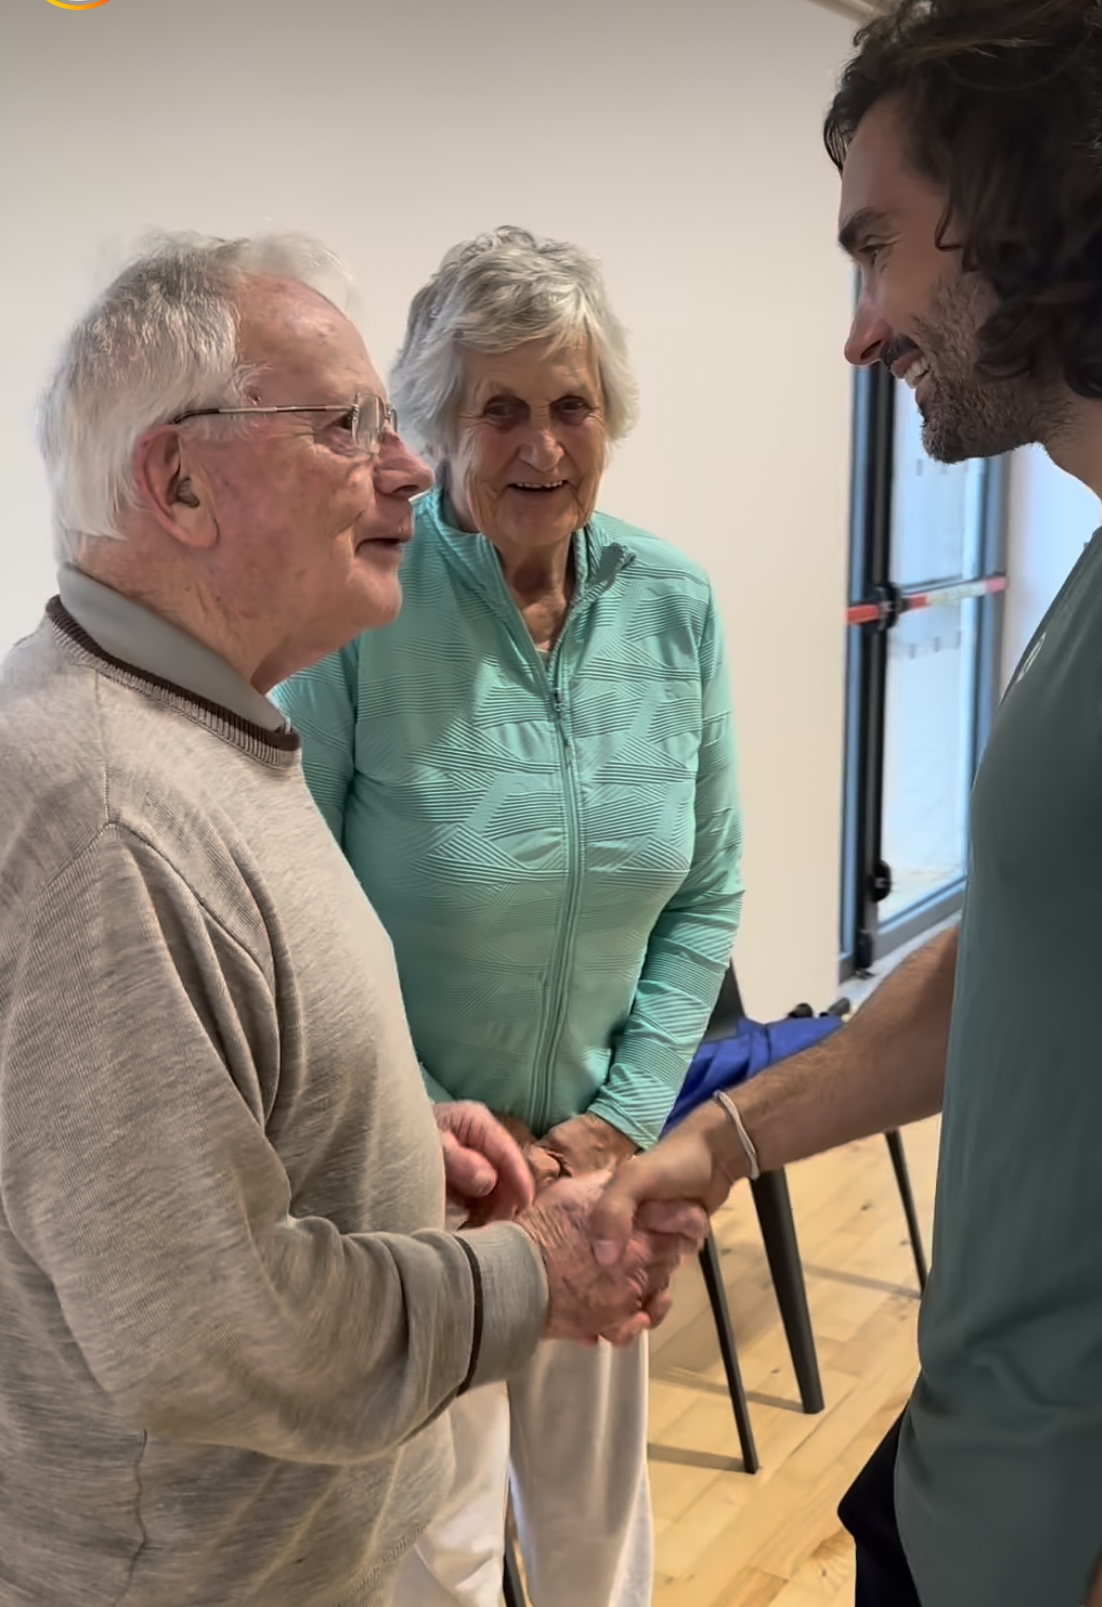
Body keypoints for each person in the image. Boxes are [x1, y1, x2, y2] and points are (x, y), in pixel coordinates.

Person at [0, 231, 705, 1607]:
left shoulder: (200, 732)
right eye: (345, 428)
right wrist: (524, 1279)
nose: (405, 468)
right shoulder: (102, 809)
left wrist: (383, 1139)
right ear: (179, 482)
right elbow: (199, 1334)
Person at [592, 3, 1102, 1604]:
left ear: (1025, 209)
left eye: (876, 250)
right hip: (973, 1481)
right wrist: (718, 1142)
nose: (860, 328)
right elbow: (1009, 977)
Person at [274, 225, 743, 1607]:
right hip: (413, 1174)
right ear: (437, 422)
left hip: (604, 1164)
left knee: (597, 1535)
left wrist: (621, 1121)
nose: (543, 444)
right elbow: (297, 898)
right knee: (438, 1544)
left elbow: (708, 888)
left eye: (571, 404)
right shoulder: (364, 601)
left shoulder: (674, 605)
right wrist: (430, 1127)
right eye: (501, 409)